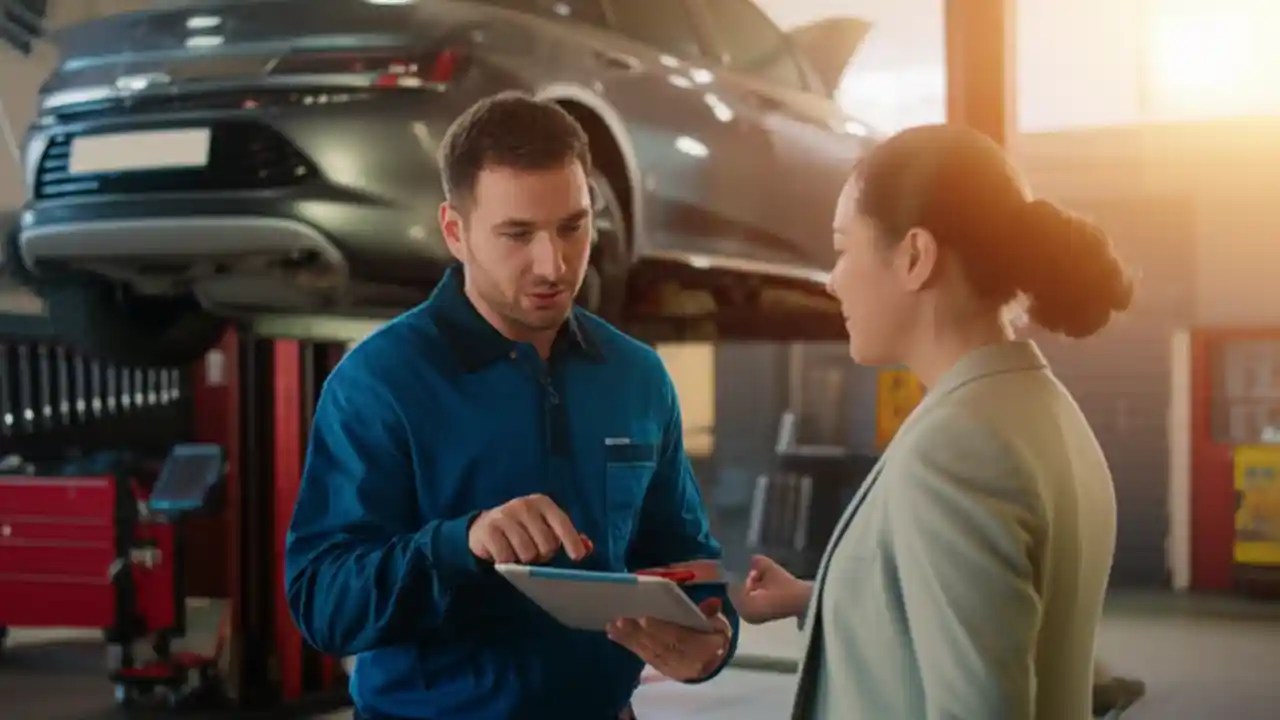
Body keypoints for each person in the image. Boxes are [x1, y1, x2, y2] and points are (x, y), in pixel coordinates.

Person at [285, 91, 737, 720]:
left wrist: (716, 640)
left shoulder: (637, 376)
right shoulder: (380, 382)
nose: (553, 264)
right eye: (518, 235)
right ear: (455, 231)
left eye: (572, 227)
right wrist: (459, 545)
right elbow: (323, 603)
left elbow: (686, 560)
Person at [736, 123, 1134, 720]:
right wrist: (823, 598)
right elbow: (998, 618)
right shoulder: (1041, 411)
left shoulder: (956, 450)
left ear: (916, 257)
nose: (832, 278)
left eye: (844, 248)